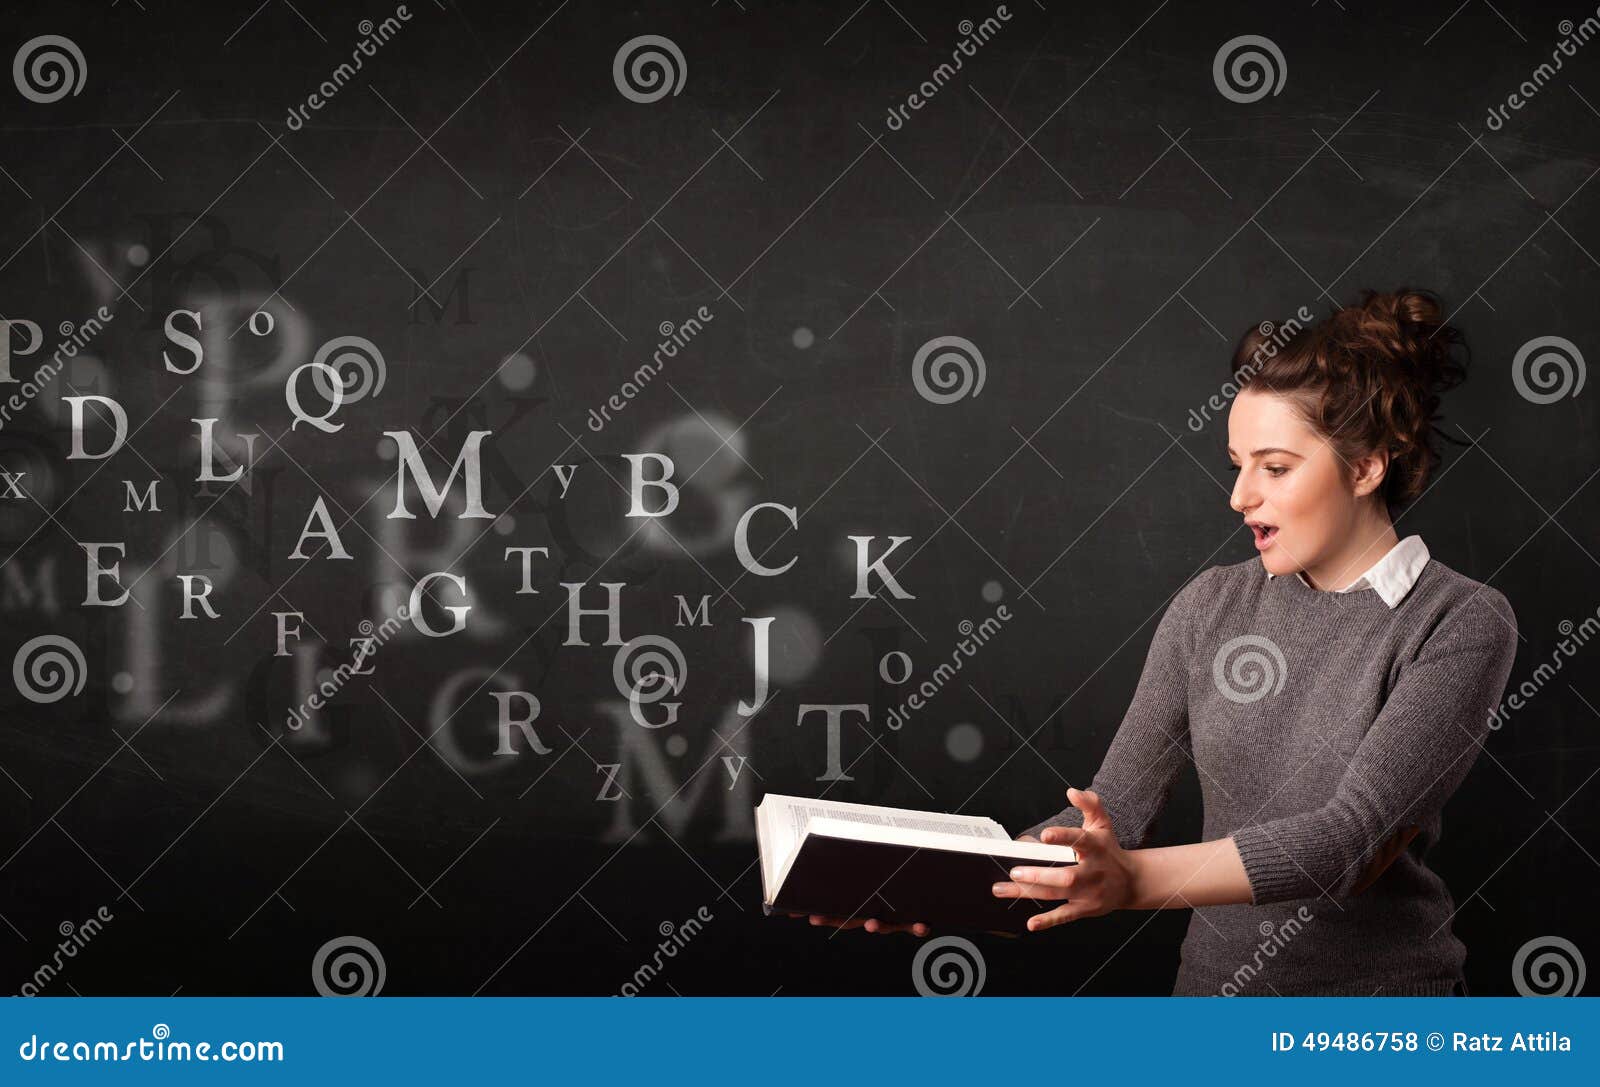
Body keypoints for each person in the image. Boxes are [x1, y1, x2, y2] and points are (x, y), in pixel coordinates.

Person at [805, 287, 1517, 996]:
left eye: (1274, 466)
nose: (1240, 495)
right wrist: (942, 884)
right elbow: (1109, 813)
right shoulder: (1210, 604)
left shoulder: (1460, 622)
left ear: (1366, 467)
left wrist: (1132, 883)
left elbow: (1350, 843)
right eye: (1237, 463)